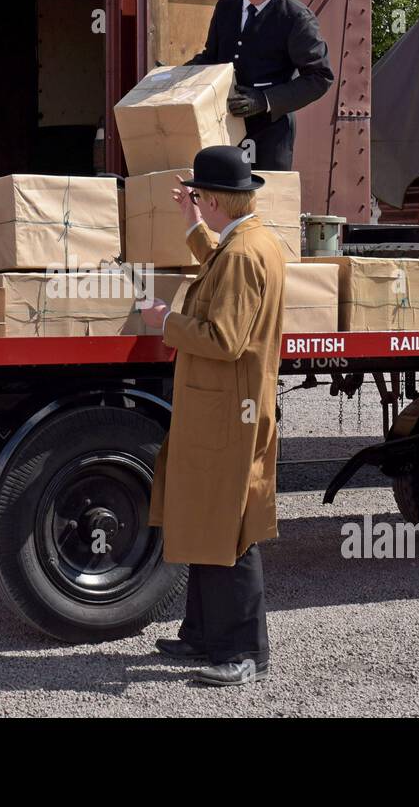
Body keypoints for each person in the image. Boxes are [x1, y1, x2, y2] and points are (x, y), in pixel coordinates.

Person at [139, 144, 286, 687]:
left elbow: (224, 338)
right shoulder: (246, 242)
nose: (196, 199)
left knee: (231, 529)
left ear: (218, 198)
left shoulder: (245, 255)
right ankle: (201, 635)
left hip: (230, 411)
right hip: (224, 408)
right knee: (206, 517)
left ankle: (246, 651)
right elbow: (218, 269)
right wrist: (193, 224)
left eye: (200, 194)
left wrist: (166, 320)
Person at [188, 0, 334, 172]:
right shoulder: (225, 8)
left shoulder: (296, 17)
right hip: (222, 126)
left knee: (265, 201)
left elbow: (320, 77)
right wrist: (180, 75)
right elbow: (212, 58)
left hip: (271, 131)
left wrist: (264, 100)